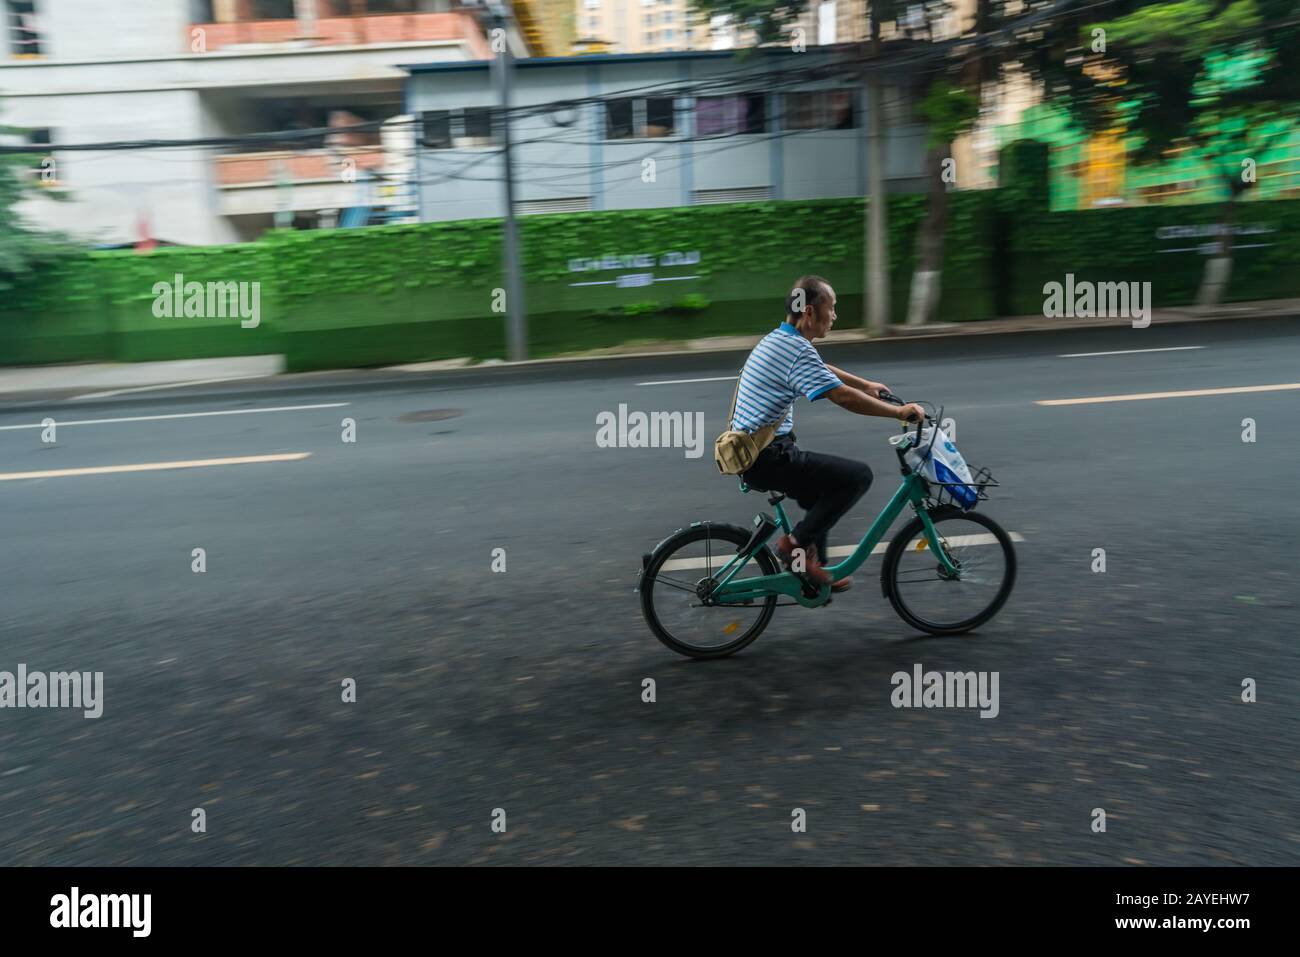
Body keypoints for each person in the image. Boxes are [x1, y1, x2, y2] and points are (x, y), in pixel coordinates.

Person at [733, 275, 924, 592]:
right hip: (768, 457)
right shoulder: (795, 351)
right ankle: (793, 547)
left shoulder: (782, 339)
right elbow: (841, 396)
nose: (834, 316)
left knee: (821, 495)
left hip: (757, 453)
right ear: (809, 313)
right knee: (857, 476)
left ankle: (805, 568)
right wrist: (898, 413)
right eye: (831, 308)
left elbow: (820, 366)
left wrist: (865, 385)